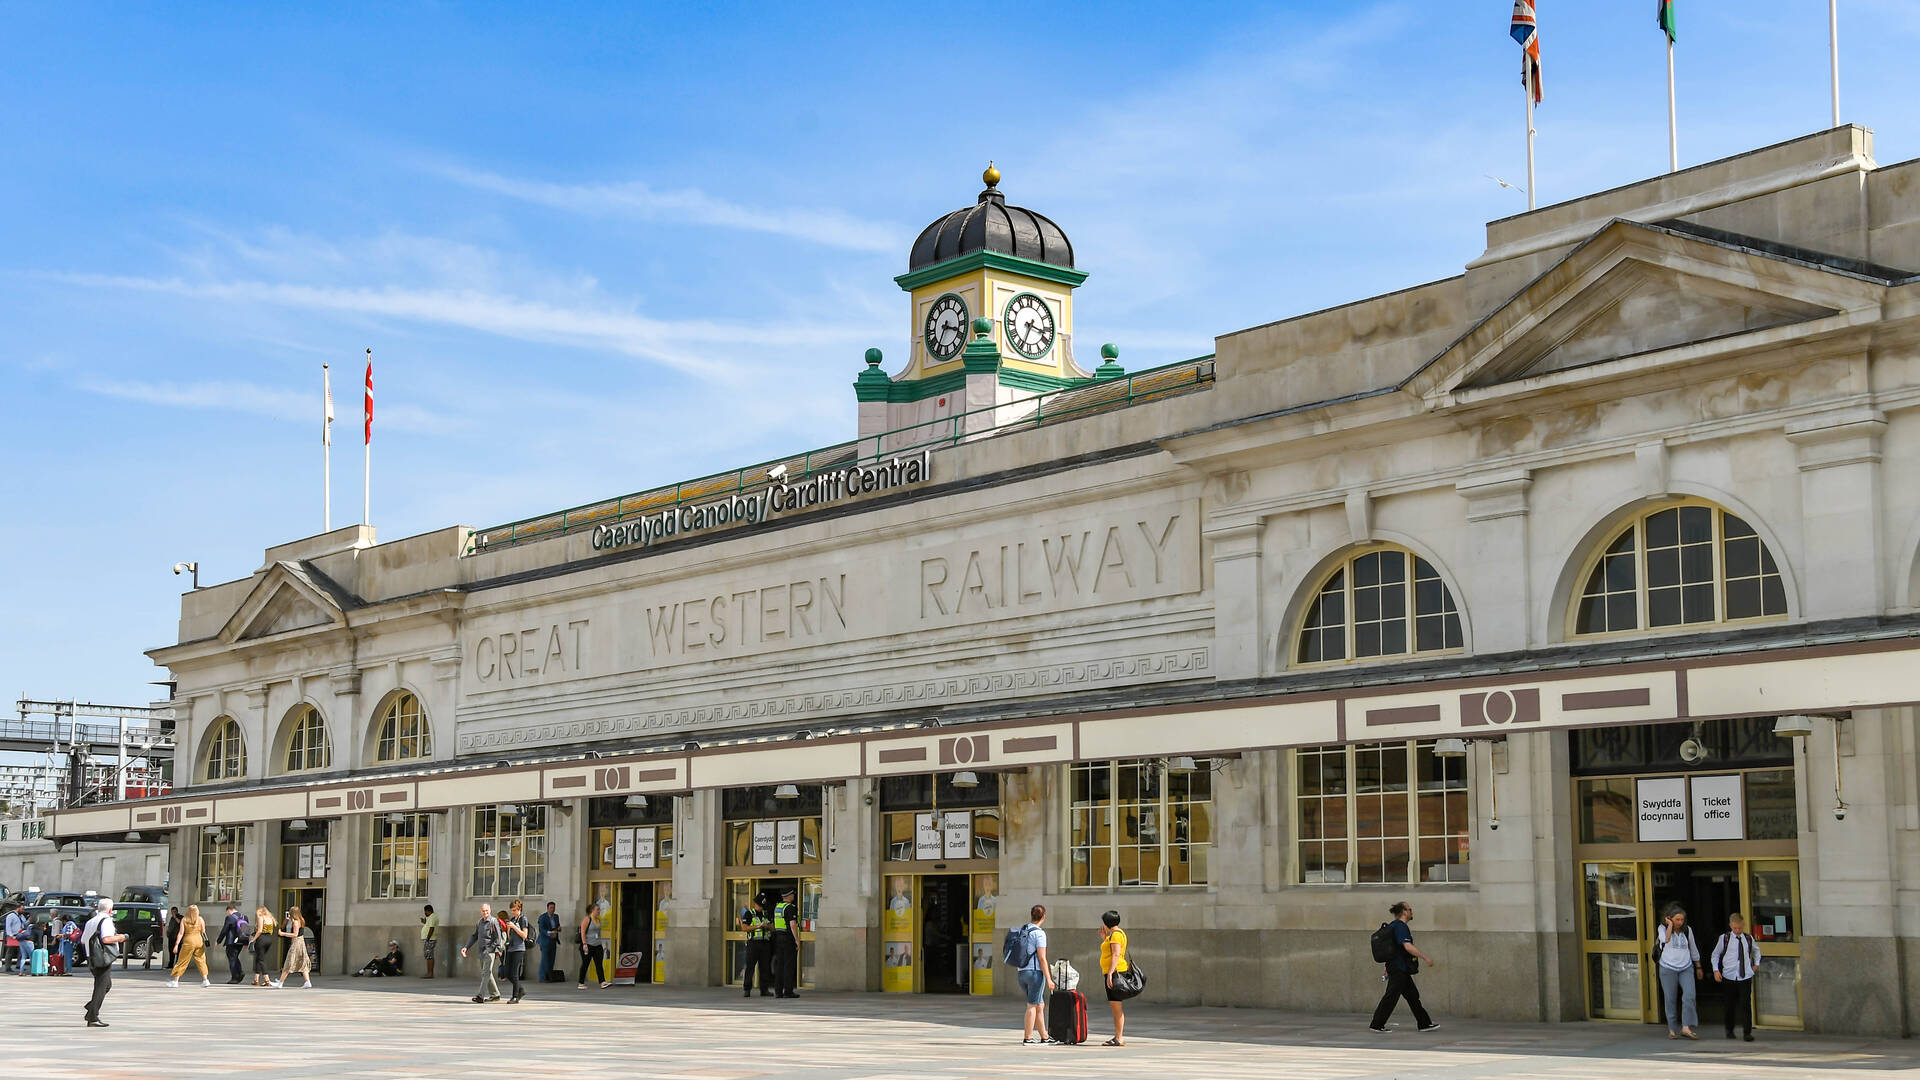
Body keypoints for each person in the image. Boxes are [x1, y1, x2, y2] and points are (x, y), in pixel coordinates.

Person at [1368, 900, 1440, 1034]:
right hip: (1398, 969)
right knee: (1391, 996)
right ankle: (1377, 1024)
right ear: (1404, 912)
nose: (1411, 911)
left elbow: (1393, 949)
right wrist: (1425, 957)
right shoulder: (1401, 927)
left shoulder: (1394, 926)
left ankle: (1424, 1023)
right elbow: (1407, 947)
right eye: (1410, 909)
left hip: (1400, 968)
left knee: (1413, 996)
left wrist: (1386, 966)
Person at [1655, 905, 1704, 1040]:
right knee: (1670, 998)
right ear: (1670, 919)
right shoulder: (1662, 928)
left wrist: (1698, 967)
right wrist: (1669, 925)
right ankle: (1672, 1029)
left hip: (1686, 967)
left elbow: (1693, 949)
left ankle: (1686, 1027)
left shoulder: (1687, 930)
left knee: (1689, 995)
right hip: (1667, 967)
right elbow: (1666, 939)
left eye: (1682, 919)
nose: (1680, 922)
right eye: (1677, 919)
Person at [1711, 912, 1760, 1042]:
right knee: (1729, 1005)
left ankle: (1747, 1032)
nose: (1737, 931)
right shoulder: (1724, 938)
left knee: (1745, 1004)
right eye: (1735, 928)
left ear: (1743, 925)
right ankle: (1729, 1029)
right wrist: (1716, 970)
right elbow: (1715, 955)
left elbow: (1756, 950)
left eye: (1739, 928)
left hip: (1745, 976)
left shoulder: (1748, 938)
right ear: (1730, 926)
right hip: (1729, 976)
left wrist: (1756, 964)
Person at [81, 898, 129, 1028]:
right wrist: (121, 937)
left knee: (106, 984)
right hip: (102, 957)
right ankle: (92, 1016)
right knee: (101, 986)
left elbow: (83, 940)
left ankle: (91, 1007)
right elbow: (106, 938)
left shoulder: (91, 921)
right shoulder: (106, 920)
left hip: (91, 957)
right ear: (110, 909)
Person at [1015, 904, 1055, 1045]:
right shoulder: (1039, 933)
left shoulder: (1023, 929)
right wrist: (1049, 979)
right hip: (1035, 973)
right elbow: (1042, 958)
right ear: (1044, 916)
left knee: (1039, 1004)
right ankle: (1028, 1037)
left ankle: (1044, 1036)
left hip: (1021, 973)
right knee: (1032, 1005)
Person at [1098, 910, 1134, 1046]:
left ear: (1107, 923)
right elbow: (1110, 951)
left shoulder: (1116, 936)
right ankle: (1118, 1036)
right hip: (1114, 972)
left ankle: (1119, 1037)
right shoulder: (1115, 934)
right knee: (1115, 1005)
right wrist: (1104, 937)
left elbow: (1115, 955)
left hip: (1115, 973)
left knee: (1116, 1006)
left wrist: (1111, 974)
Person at [462, 902, 504, 1003]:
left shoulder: (494, 922)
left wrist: (491, 949)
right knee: (487, 974)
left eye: (487, 910)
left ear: (490, 911)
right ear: (481, 911)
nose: (485, 912)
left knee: (485, 973)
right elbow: (474, 936)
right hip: (481, 952)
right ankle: (495, 994)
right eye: (483, 911)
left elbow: (498, 939)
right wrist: (466, 947)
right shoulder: (480, 922)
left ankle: (480, 996)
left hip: (490, 952)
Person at [168, 903, 211, 987]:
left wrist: (176, 944)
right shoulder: (200, 919)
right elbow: (203, 931)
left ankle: (176, 981)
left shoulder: (184, 920)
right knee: (201, 961)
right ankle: (205, 980)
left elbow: (181, 933)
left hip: (188, 941)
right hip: (199, 940)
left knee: (182, 960)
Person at [739, 892, 773, 998]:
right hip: (753, 944)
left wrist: (767, 926)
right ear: (756, 904)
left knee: (765, 967)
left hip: (765, 944)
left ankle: (764, 990)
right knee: (750, 967)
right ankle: (747, 989)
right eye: (760, 906)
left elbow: (773, 928)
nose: (761, 908)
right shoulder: (749, 914)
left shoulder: (766, 914)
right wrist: (758, 926)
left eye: (763, 906)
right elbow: (744, 928)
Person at [770, 887, 800, 998]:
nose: (794, 896)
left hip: (778, 938)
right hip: (788, 939)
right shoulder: (790, 908)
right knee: (789, 965)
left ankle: (778, 991)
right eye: (793, 894)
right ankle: (788, 991)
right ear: (789, 895)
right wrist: (797, 940)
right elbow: (792, 925)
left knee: (780, 965)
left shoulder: (778, 907)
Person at [501, 899, 532, 1003]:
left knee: (514, 973)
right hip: (511, 948)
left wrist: (514, 927)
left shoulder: (523, 919)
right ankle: (521, 989)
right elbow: (510, 936)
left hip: (519, 948)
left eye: (515, 910)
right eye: (512, 910)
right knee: (507, 972)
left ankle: (515, 996)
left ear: (519, 909)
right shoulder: (512, 919)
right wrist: (508, 928)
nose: (513, 912)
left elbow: (524, 935)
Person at [275, 907, 313, 989]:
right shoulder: (301, 920)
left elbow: (295, 934)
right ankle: (307, 982)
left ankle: (280, 983)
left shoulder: (296, 922)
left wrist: (283, 934)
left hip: (296, 943)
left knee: (289, 962)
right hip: (301, 942)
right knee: (303, 962)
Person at [577, 901, 609, 989]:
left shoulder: (598, 920)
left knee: (599, 964)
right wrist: (584, 944)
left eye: (599, 910)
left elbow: (598, 932)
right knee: (585, 964)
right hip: (588, 945)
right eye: (597, 910)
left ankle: (602, 982)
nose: (599, 911)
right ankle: (581, 982)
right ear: (592, 910)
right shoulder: (587, 919)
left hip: (597, 945)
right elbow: (582, 932)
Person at [217, 903, 248, 984]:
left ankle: (235, 977)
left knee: (232, 959)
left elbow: (224, 930)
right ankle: (239, 972)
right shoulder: (245, 917)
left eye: (227, 912)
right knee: (235, 957)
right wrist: (246, 943)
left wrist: (218, 941)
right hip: (241, 941)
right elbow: (246, 930)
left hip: (231, 942)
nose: (227, 913)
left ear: (229, 910)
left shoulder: (229, 917)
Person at [250, 906, 277, 987]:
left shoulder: (261, 917)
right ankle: (256, 979)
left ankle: (267, 980)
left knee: (261, 960)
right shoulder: (270, 918)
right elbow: (271, 931)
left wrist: (253, 939)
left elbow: (259, 930)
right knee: (259, 958)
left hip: (261, 938)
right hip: (269, 939)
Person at [537, 902, 561, 984]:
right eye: (551, 908)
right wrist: (549, 933)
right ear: (547, 908)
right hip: (545, 940)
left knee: (552, 959)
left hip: (553, 940)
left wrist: (558, 929)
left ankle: (549, 976)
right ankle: (542, 977)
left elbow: (557, 925)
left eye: (553, 908)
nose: (552, 909)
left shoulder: (556, 916)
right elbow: (541, 929)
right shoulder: (543, 917)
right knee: (545, 959)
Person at [4, 904, 29, 975]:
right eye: (22, 909)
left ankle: (19, 965)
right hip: (12, 936)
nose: (23, 910)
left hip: (20, 935)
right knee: (10, 952)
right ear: (17, 908)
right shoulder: (11, 916)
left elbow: (24, 923)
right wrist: (11, 935)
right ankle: (7, 967)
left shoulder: (21, 916)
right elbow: (8, 926)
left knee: (21, 951)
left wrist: (29, 921)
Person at [420, 904, 439, 978]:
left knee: (429, 956)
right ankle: (429, 973)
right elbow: (429, 925)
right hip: (429, 939)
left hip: (430, 939)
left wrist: (427, 938)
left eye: (425, 911)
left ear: (428, 911)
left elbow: (432, 928)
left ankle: (430, 973)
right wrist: (424, 922)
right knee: (428, 956)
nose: (425, 913)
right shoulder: (431, 917)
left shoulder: (432, 917)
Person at [161, 906, 182, 972]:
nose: (173, 913)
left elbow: (179, 922)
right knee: (171, 951)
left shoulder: (180, 917)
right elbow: (170, 926)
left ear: (177, 911)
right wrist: (167, 932)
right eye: (172, 912)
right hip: (171, 937)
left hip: (177, 937)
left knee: (178, 951)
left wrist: (175, 916)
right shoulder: (171, 918)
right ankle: (170, 964)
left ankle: (177, 965)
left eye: (174, 911)